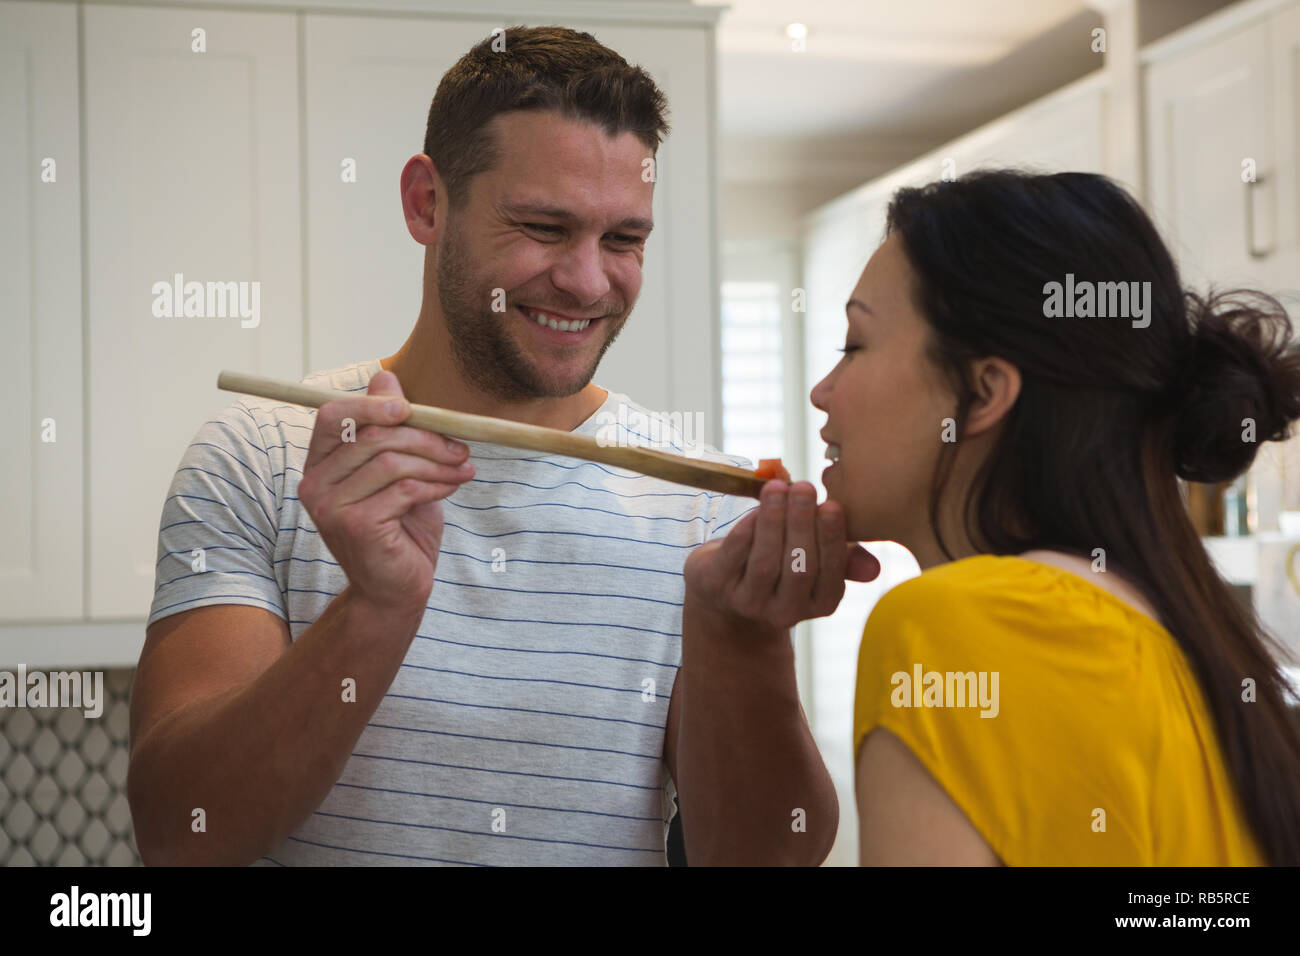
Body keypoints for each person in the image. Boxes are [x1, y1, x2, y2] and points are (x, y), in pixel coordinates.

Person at [126, 25, 874, 867]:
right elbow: (179, 834)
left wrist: (747, 638)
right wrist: (374, 611)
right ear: (427, 203)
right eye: (544, 227)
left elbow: (767, 857)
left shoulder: (701, 502)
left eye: (624, 240)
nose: (588, 282)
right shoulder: (259, 454)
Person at [780, 168, 1298, 865]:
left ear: (982, 391)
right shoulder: (1174, 629)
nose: (822, 391)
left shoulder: (961, 624)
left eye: (855, 345)